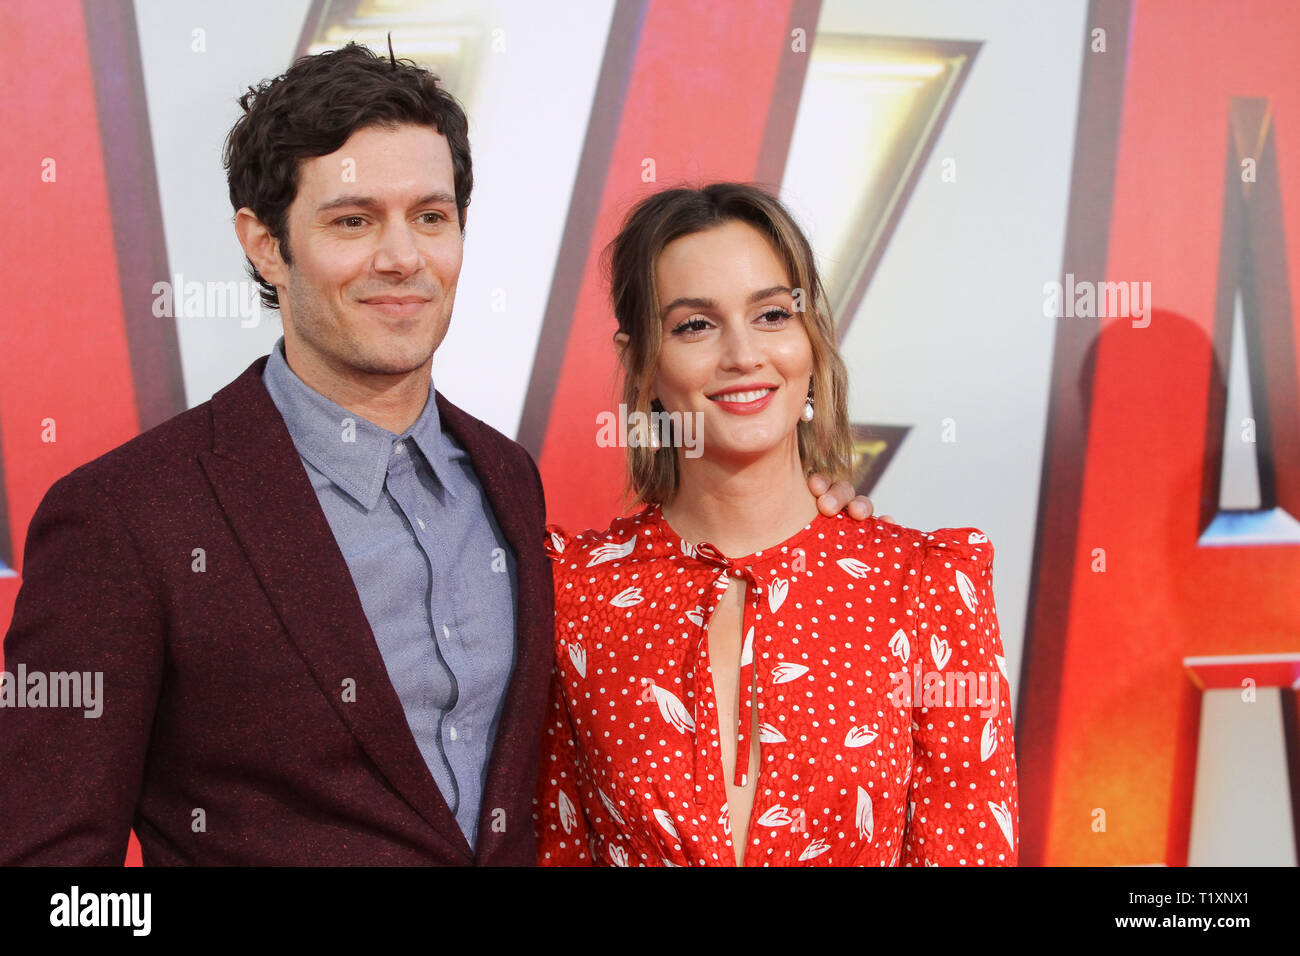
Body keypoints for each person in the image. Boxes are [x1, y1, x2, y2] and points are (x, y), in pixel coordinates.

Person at [0, 44, 872, 866]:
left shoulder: (505, 480)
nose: (401, 257)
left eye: (430, 216)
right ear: (266, 244)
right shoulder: (128, 518)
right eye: (352, 220)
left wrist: (804, 518)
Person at [533, 183, 1019, 866]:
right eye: (695, 325)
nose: (742, 355)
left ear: (811, 340)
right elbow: (555, 849)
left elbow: (970, 850)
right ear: (640, 363)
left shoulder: (928, 588)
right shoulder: (572, 597)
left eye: (771, 315)